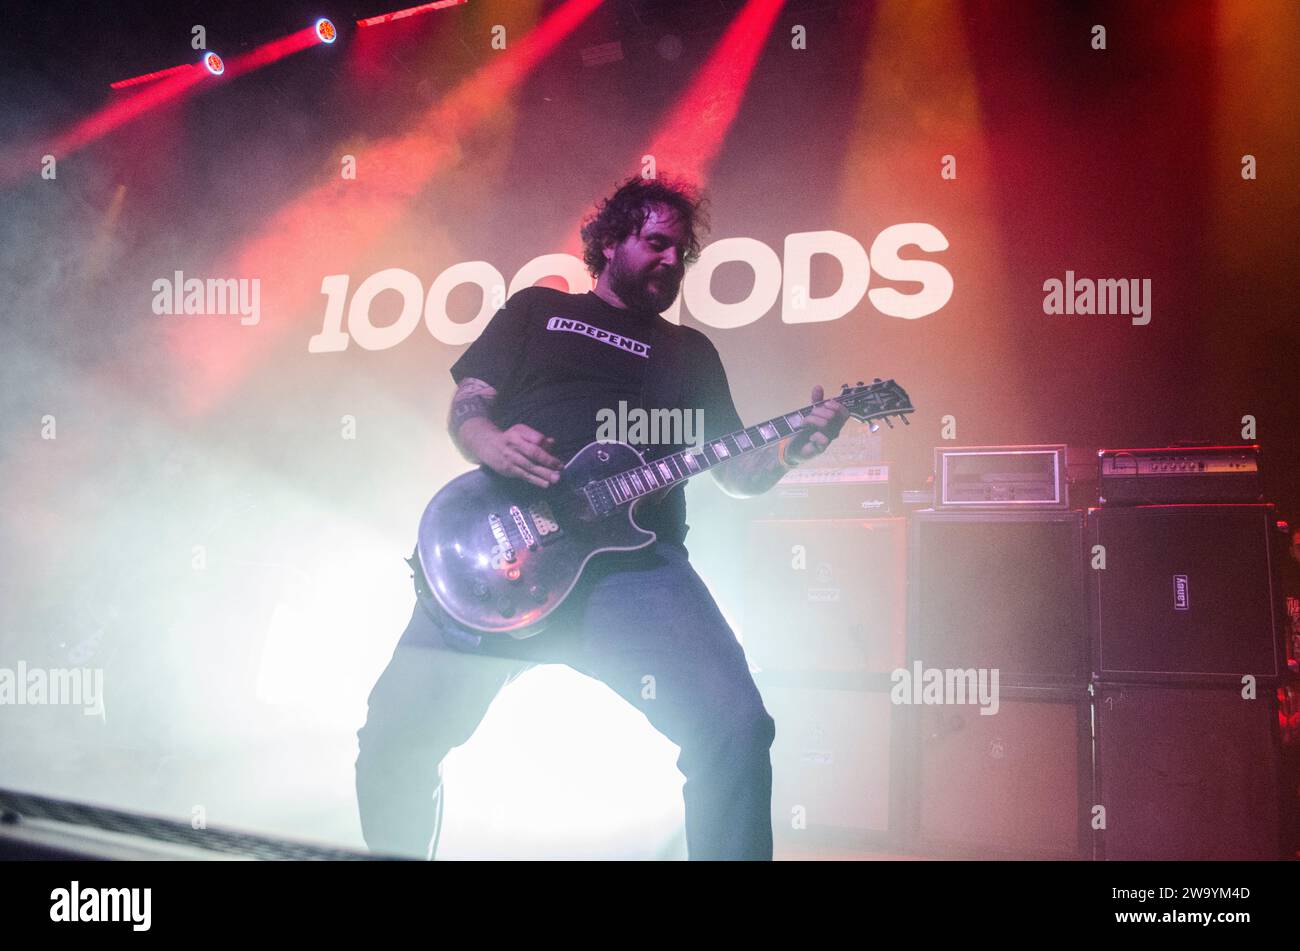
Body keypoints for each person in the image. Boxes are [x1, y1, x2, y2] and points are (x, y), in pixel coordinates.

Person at [354, 175, 850, 860]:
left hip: (634, 571)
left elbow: (738, 472)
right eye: (656, 243)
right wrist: (490, 442)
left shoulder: (691, 353)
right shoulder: (538, 311)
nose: (672, 261)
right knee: (391, 737)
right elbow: (470, 404)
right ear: (611, 241)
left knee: (735, 727)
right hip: (504, 550)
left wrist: (795, 450)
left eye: (683, 252)